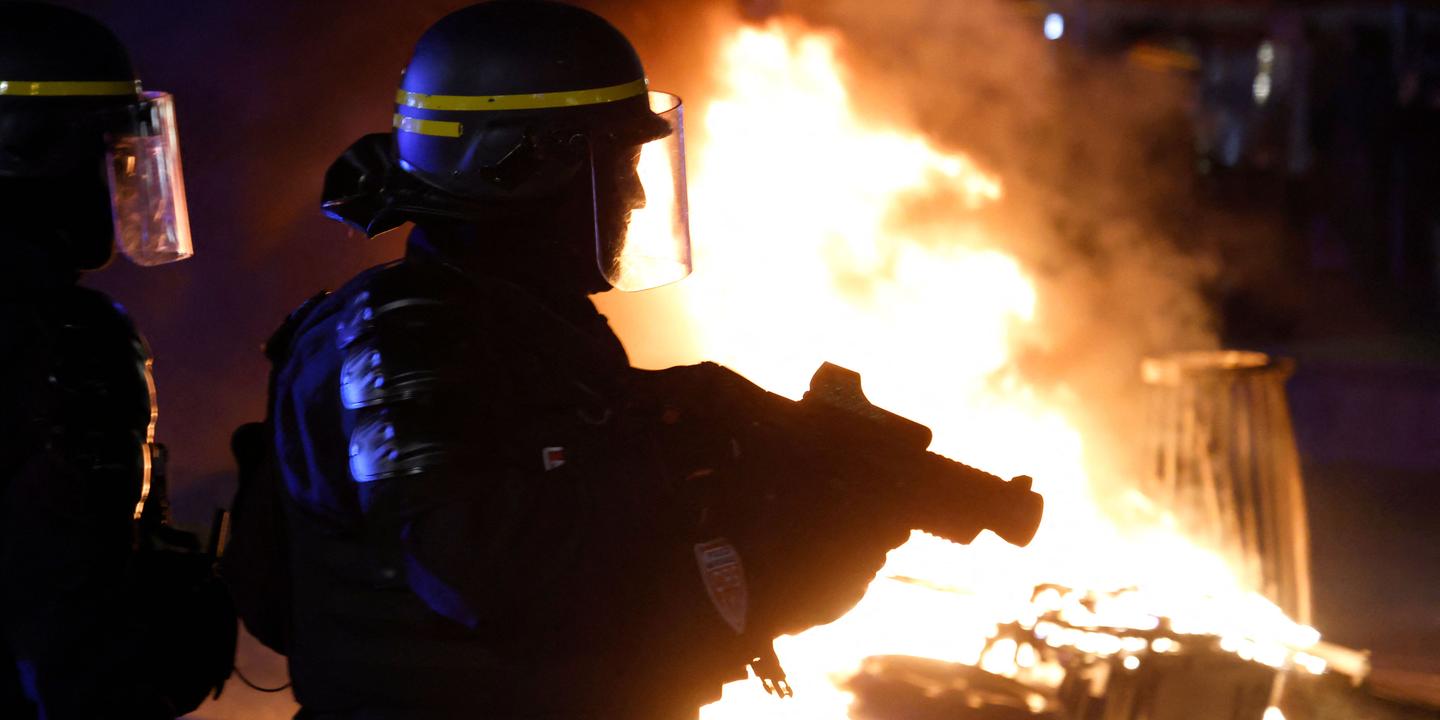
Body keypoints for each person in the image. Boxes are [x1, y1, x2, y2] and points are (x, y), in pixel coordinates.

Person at [225, 2, 920, 718]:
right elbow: (516, 592)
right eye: (618, 161)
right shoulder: (407, 338)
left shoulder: (519, 329)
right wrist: (798, 541)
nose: (638, 192)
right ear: (530, 163)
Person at [0, 3, 233, 717]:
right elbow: (63, 599)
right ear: (41, 148)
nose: (118, 180)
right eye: (106, 149)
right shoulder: (64, 335)